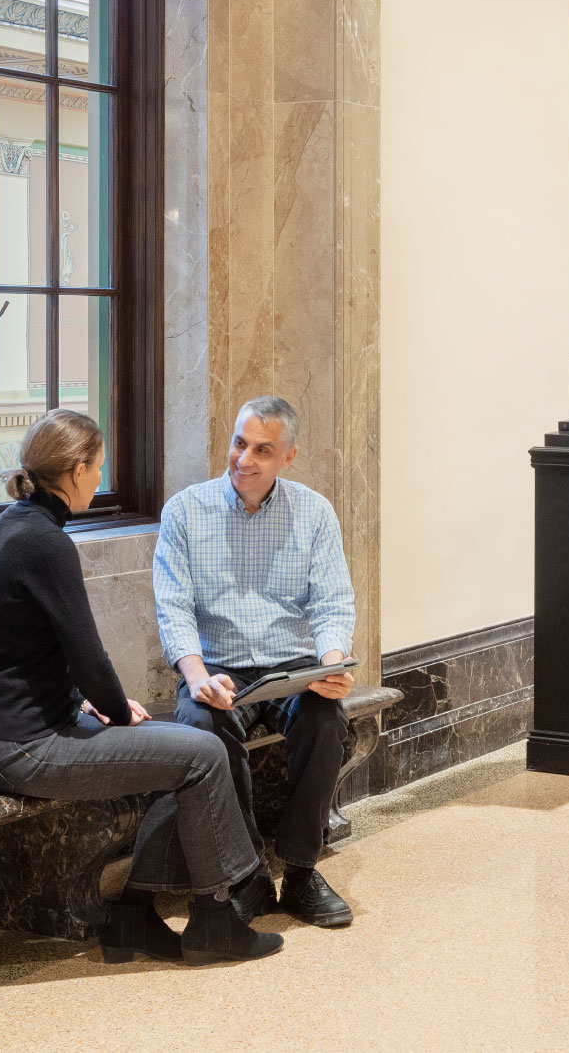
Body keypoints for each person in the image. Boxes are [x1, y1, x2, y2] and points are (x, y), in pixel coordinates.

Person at [0, 410, 283, 964]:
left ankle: (138, 915)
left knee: (176, 747)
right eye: (99, 467)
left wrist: (90, 705)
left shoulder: (12, 523)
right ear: (77, 469)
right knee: (201, 751)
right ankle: (217, 916)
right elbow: (87, 655)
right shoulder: (47, 543)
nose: (101, 479)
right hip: (21, 748)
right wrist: (115, 709)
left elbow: (28, 652)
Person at [147, 395, 360, 929]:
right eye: (240, 443)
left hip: (290, 666)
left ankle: (303, 870)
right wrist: (195, 678)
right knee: (202, 727)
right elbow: (172, 608)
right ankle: (246, 875)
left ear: (287, 458)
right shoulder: (185, 511)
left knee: (327, 719)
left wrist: (331, 666)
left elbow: (332, 602)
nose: (245, 458)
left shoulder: (313, 512)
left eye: (262, 450)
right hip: (217, 669)